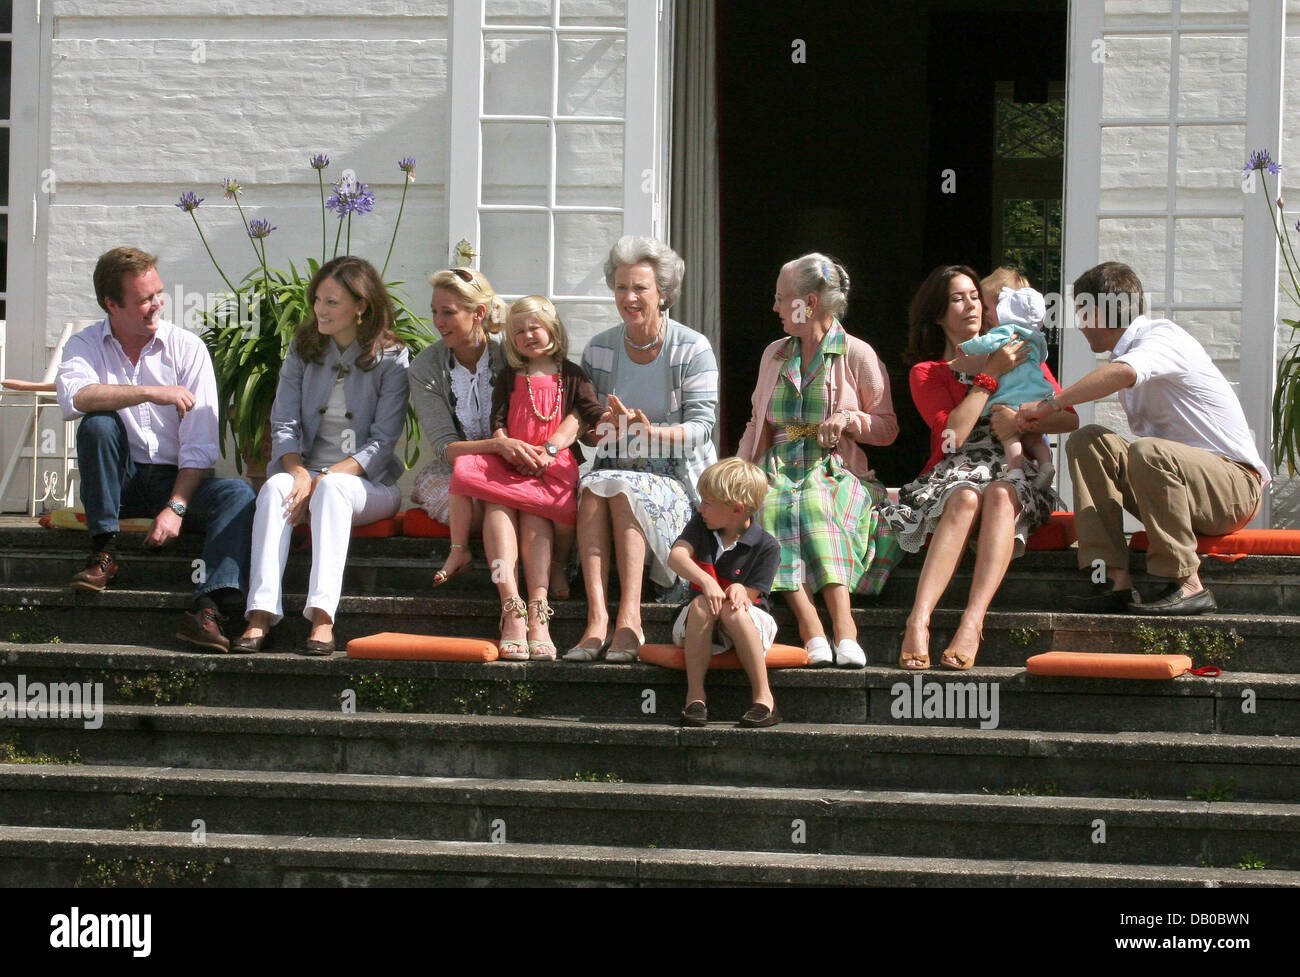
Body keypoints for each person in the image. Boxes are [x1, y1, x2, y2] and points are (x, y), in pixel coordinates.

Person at [1018, 261, 1269, 616]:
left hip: (1233, 490)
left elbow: (1122, 374)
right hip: (1180, 488)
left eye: (1081, 312)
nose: (1079, 325)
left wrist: (1051, 403)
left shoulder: (1162, 337)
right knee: (1088, 440)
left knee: (1149, 451)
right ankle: (1112, 578)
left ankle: (1188, 584)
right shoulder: (1129, 351)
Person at [55, 246, 256, 652]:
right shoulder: (85, 344)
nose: (156, 305)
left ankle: (209, 609)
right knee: (97, 423)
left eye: (158, 293)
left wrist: (176, 507)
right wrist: (151, 392)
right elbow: (75, 397)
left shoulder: (188, 348)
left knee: (238, 494)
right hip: (119, 479)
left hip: (174, 480)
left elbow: (200, 446)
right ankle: (103, 555)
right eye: (144, 299)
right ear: (112, 304)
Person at [884, 265, 1078, 670]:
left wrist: (1022, 419)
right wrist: (990, 375)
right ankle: (917, 621)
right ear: (938, 313)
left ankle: (972, 623)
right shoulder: (928, 372)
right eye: (957, 298)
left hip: (1012, 469)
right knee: (966, 496)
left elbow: (1068, 417)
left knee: (1002, 492)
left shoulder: (1016, 347)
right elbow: (951, 433)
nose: (971, 305)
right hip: (957, 467)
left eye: (975, 295)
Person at [235, 256, 409, 655]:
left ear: (361, 305)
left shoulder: (392, 357)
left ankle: (323, 618)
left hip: (367, 485)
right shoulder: (303, 348)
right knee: (275, 487)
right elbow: (283, 425)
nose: (319, 310)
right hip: (308, 473)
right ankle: (260, 613)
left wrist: (322, 478)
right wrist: (297, 472)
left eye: (331, 302)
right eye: (317, 299)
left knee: (331, 490)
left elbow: (383, 442)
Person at [737, 253, 900, 668]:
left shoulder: (857, 353)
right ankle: (813, 630)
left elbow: (887, 428)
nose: (774, 307)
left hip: (835, 469)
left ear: (808, 302)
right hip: (778, 466)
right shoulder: (774, 353)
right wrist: (738, 472)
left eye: (780, 298)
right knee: (772, 506)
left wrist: (849, 420)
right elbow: (759, 422)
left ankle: (846, 631)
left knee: (813, 503)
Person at [563, 236, 720, 663]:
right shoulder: (599, 347)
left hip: (676, 473)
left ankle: (629, 620)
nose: (629, 298)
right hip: (615, 462)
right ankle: (596, 620)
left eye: (640, 288)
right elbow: (590, 428)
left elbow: (701, 430)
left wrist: (649, 432)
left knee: (621, 488)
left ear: (663, 293)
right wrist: (605, 429)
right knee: (597, 486)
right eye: (620, 287)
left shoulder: (692, 347)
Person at [450, 296, 604, 660]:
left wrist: (610, 420)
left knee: (536, 518)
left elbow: (590, 412)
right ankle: (511, 605)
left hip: (550, 464)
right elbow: (498, 420)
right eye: (518, 331)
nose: (527, 336)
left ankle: (538, 607)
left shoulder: (572, 374)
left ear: (553, 329)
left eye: (534, 327)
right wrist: (503, 443)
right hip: (511, 462)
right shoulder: (509, 375)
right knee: (496, 511)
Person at [408, 268, 557, 592]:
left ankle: (527, 599)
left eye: (448, 312)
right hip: (455, 473)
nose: (438, 322)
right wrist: (498, 446)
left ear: (478, 314)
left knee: (505, 502)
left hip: (515, 465)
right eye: (435, 312)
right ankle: (512, 598)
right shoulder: (426, 367)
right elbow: (445, 448)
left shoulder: (512, 354)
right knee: (495, 501)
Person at [667, 458, 782, 728]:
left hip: (747, 621)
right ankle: (695, 697)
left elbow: (754, 594)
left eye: (708, 502)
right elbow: (676, 557)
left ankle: (765, 698)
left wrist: (741, 589)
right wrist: (706, 581)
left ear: (737, 509)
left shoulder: (767, 546)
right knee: (701, 604)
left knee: (735, 611)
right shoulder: (700, 526)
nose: (701, 507)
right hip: (701, 620)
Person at [959, 286, 1056, 487]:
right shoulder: (1037, 337)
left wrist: (966, 347)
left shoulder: (1008, 330)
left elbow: (986, 343)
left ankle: (1015, 471)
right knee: (1035, 438)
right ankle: (1046, 464)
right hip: (1036, 394)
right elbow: (1042, 358)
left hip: (1011, 395)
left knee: (1010, 436)